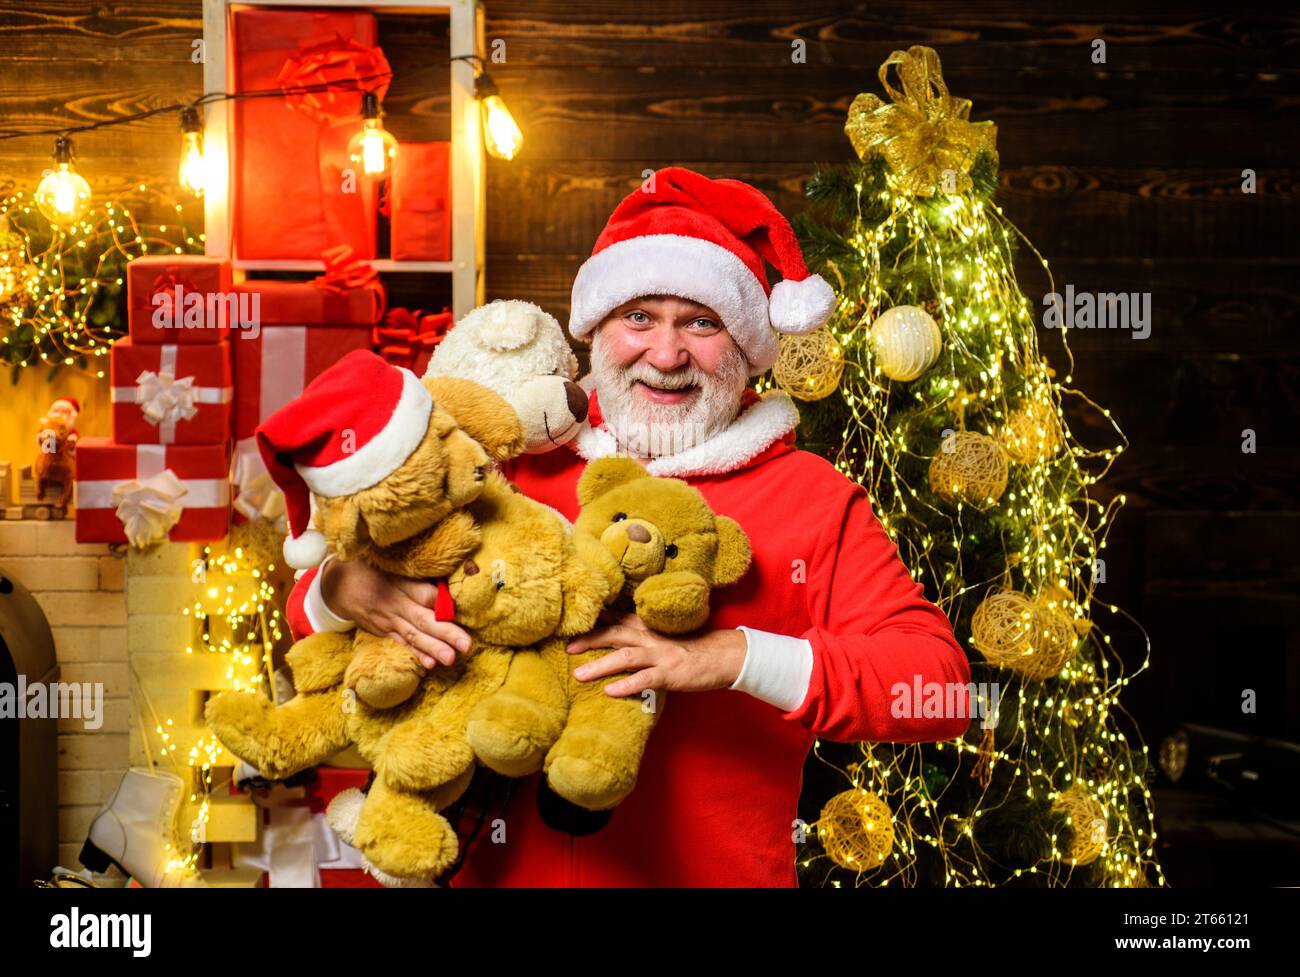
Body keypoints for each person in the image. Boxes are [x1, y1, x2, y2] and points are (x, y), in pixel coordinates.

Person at [283, 167, 971, 887]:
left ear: (746, 344)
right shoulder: (512, 462)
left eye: (702, 322)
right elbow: (304, 614)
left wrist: (730, 656)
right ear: (596, 330)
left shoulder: (813, 498)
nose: (667, 355)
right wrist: (340, 588)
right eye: (639, 317)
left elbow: (941, 687)